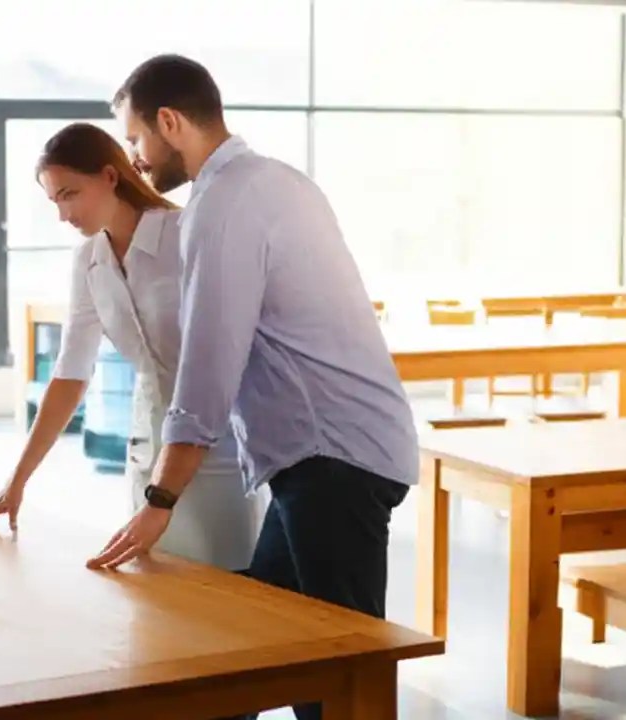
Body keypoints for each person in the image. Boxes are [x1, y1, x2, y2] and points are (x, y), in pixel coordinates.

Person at [89, 55, 419, 720]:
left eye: (135, 138)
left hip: (334, 460)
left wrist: (161, 498)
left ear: (171, 122)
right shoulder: (275, 181)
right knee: (261, 652)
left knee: (338, 673)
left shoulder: (222, 205)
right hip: (325, 456)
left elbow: (208, 369)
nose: (134, 157)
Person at [0, 122, 266, 572]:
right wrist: (17, 482)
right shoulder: (88, 261)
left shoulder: (188, 234)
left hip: (220, 446)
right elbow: (70, 374)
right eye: (54, 201)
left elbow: (240, 344)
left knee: (230, 587)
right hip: (147, 450)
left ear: (109, 176)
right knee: (154, 593)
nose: (64, 215)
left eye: (69, 194)